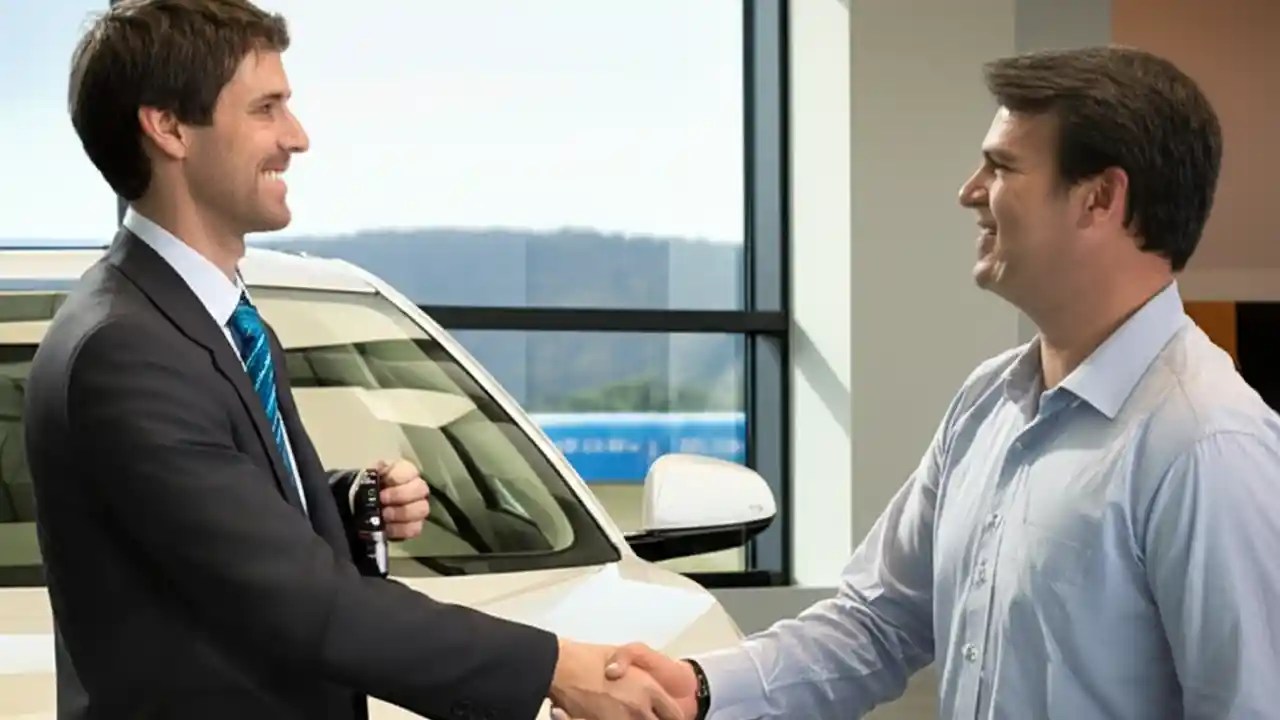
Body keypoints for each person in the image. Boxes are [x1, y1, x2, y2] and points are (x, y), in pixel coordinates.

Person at [575, 45, 1280, 719]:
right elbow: (877, 622)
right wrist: (698, 691)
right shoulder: (988, 402)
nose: (969, 193)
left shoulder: (1207, 444)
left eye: (1001, 168)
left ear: (1099, 197)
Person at [24, 1, 682, 718]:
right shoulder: (125, 351)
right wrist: (557, 666)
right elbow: (305, 605)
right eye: (267, 108)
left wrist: (338, 501)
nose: (297, 138)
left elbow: (201, 521)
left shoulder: (216, 322)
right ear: (170, 128)